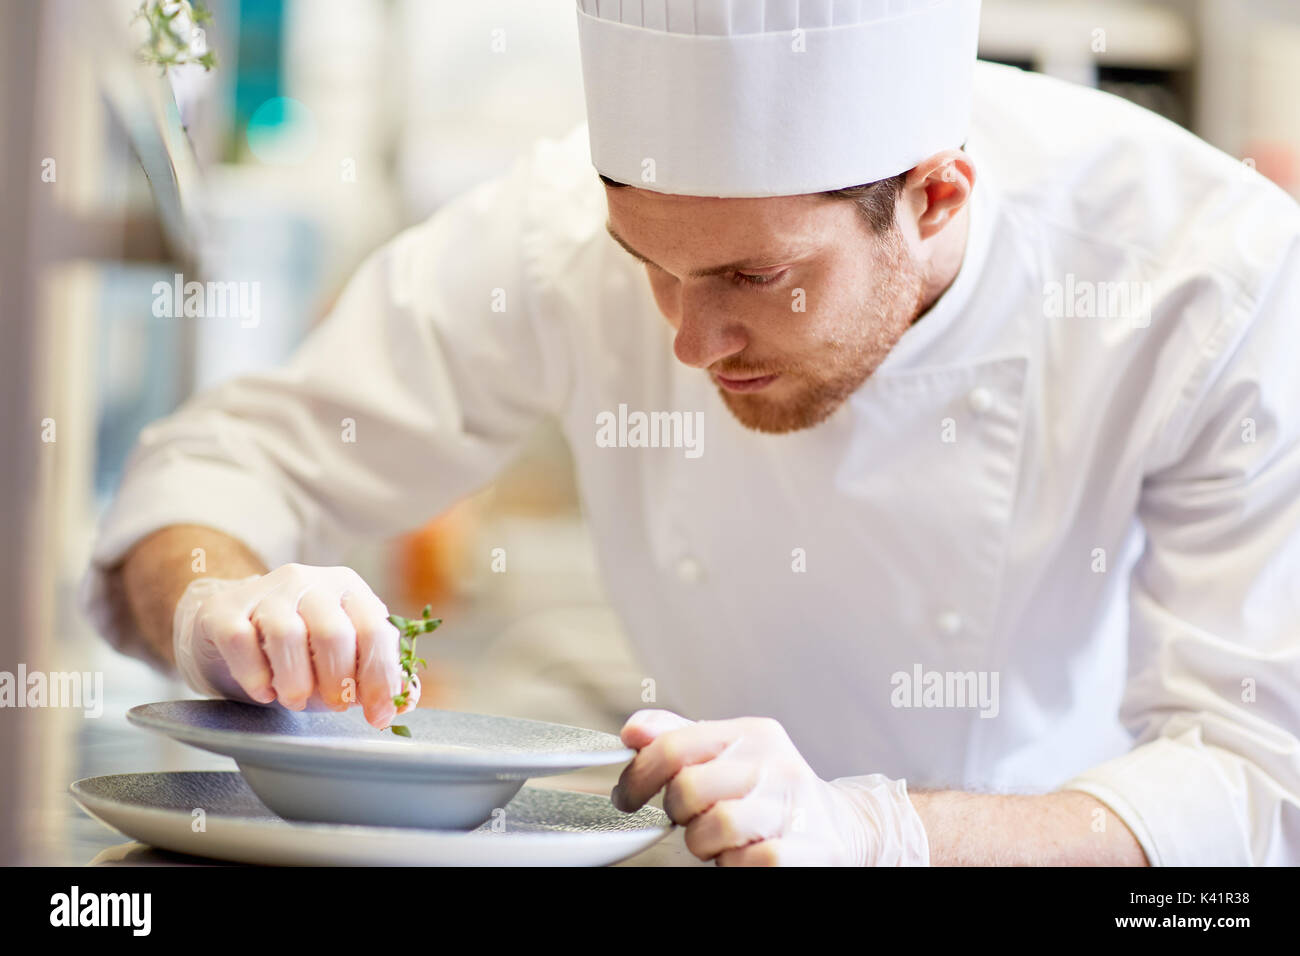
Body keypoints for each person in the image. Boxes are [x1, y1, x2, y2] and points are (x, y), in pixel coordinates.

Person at [83, 0, 1300, 865]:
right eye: (646, 267)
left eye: (755, 277)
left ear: (933, 199)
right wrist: (218, 611)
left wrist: (879, 836)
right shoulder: (555, 224)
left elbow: (1256, 784)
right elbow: (220, 466)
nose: (687, 342)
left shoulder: (1208, 274)